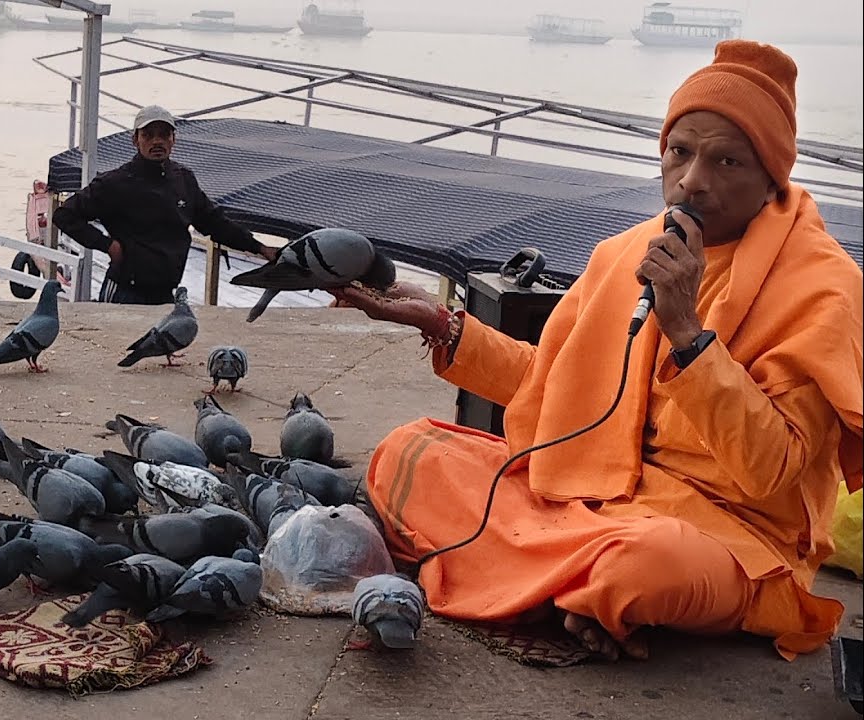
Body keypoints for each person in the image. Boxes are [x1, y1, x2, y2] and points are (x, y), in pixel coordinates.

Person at [330, 40, 863, 662]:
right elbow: (554, 389)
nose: (692, 181)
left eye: (727, 162)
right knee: (412, 451)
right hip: (592, 497)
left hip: (725, 533)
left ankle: (564, 583)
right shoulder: (622, 255)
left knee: (644, 567)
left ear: (772, 176)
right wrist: (444, 326)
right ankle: (570, 596)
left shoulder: (822, 289)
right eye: (680, 152)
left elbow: (772, 468)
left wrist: (688, 333)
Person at [52, 105, 279, 305]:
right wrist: (108, 245)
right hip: (124, 291)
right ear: (135, 140)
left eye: (163, 134)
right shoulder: (115, 183)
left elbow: (215, 222)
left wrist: (259, 247)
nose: (156, 141)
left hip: (165, 293)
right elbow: (65, 215)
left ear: (173, 139)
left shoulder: (183, 179)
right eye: (148, 135)